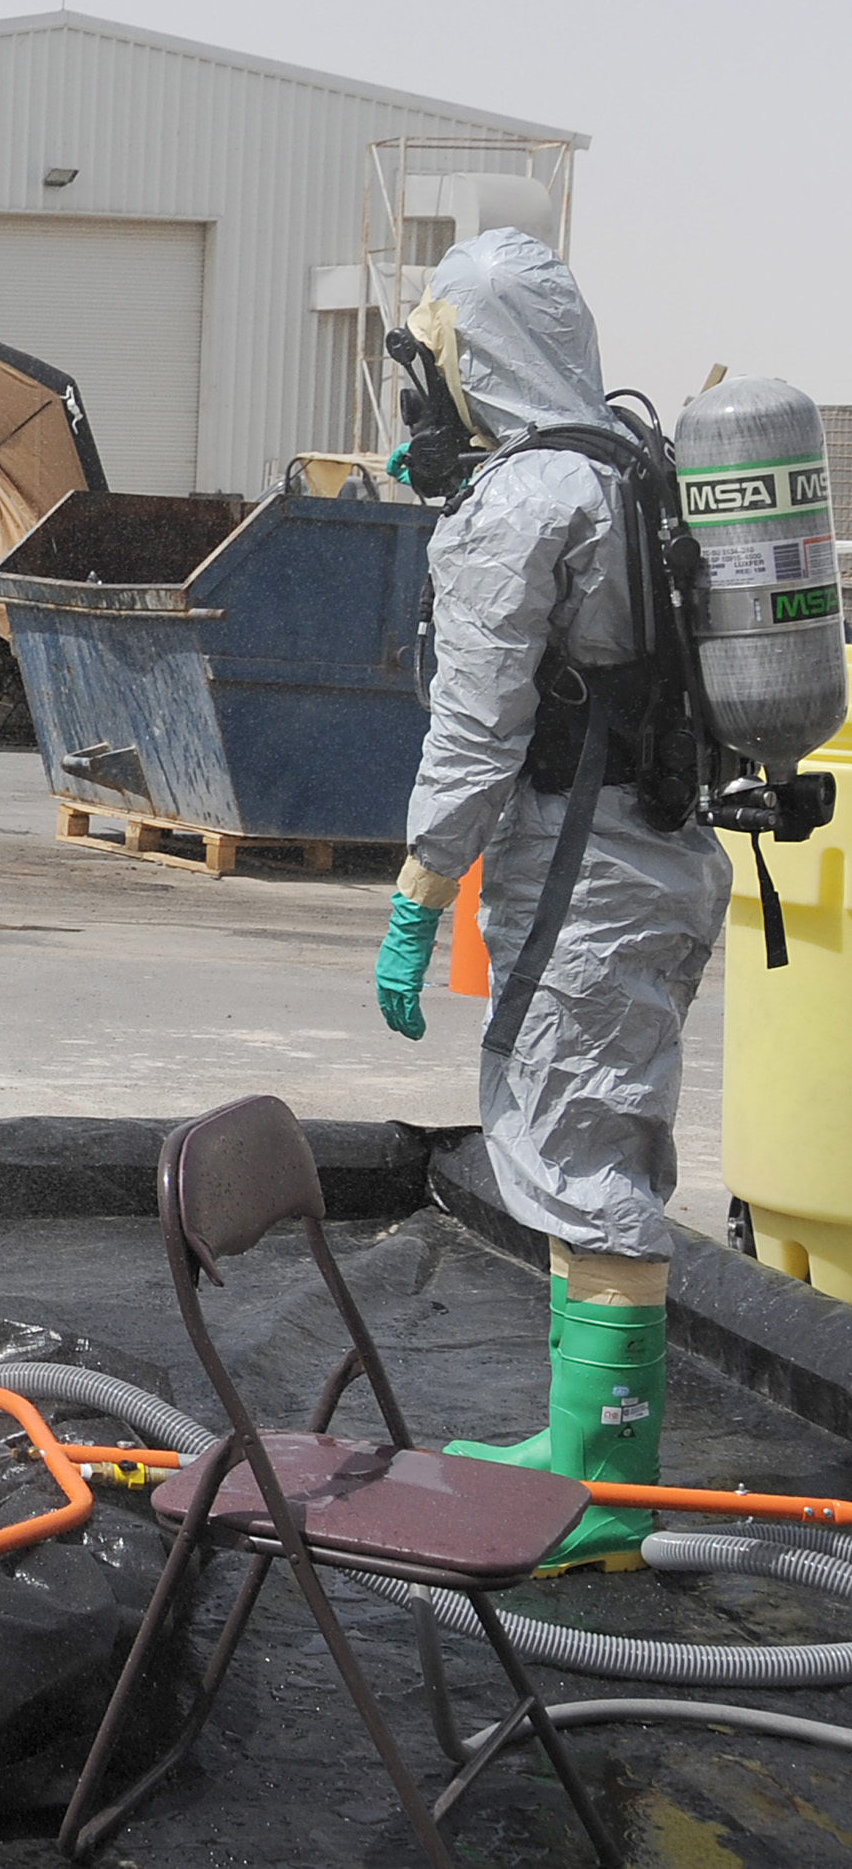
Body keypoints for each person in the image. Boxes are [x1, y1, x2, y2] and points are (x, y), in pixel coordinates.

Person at [371, 227, 727, 1571]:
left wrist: (416, 893)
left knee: (583, 1155)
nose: (424, 393)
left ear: (483, 355)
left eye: (435, 358)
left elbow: (472, 734)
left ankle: (608, 1483)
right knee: (585, 1133)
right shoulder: (631, 470)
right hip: (653, 858)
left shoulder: (521, 505)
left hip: (590, 879)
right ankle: (583, 1451)